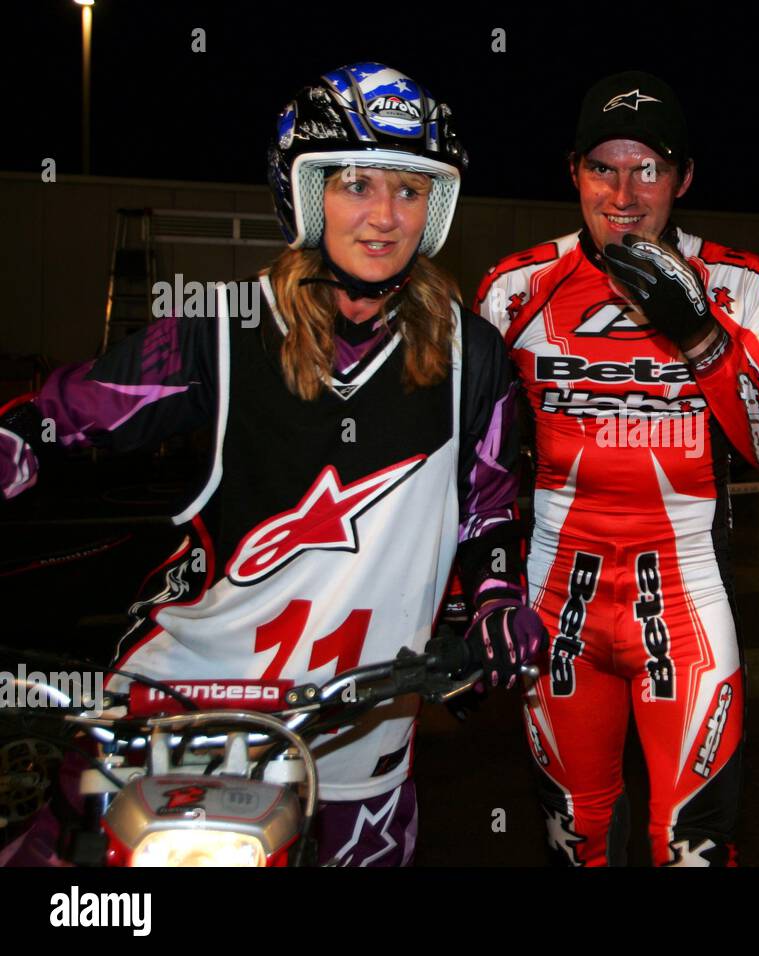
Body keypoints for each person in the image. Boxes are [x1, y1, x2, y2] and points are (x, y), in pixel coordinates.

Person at [0, 62, 544, 866]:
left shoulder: (477, 359)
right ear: (305, 192)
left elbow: (490, 511)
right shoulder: (218, 329)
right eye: (357, 184)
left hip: (362, 741)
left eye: (409, 190)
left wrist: (498, 603)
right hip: (177, 719)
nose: (384, 217)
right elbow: (54, 420)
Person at [474, 71, 759, 866]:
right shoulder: (515, 286)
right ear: (573, 172)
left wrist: (701, 337)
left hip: (686, 601)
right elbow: (470, 469)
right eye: (604, 167)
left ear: (685, 178)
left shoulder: (736, 284)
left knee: (693, 850)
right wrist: (472, 600)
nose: (624, 194)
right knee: (577, 840)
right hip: (553, 602)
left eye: (649, 169)